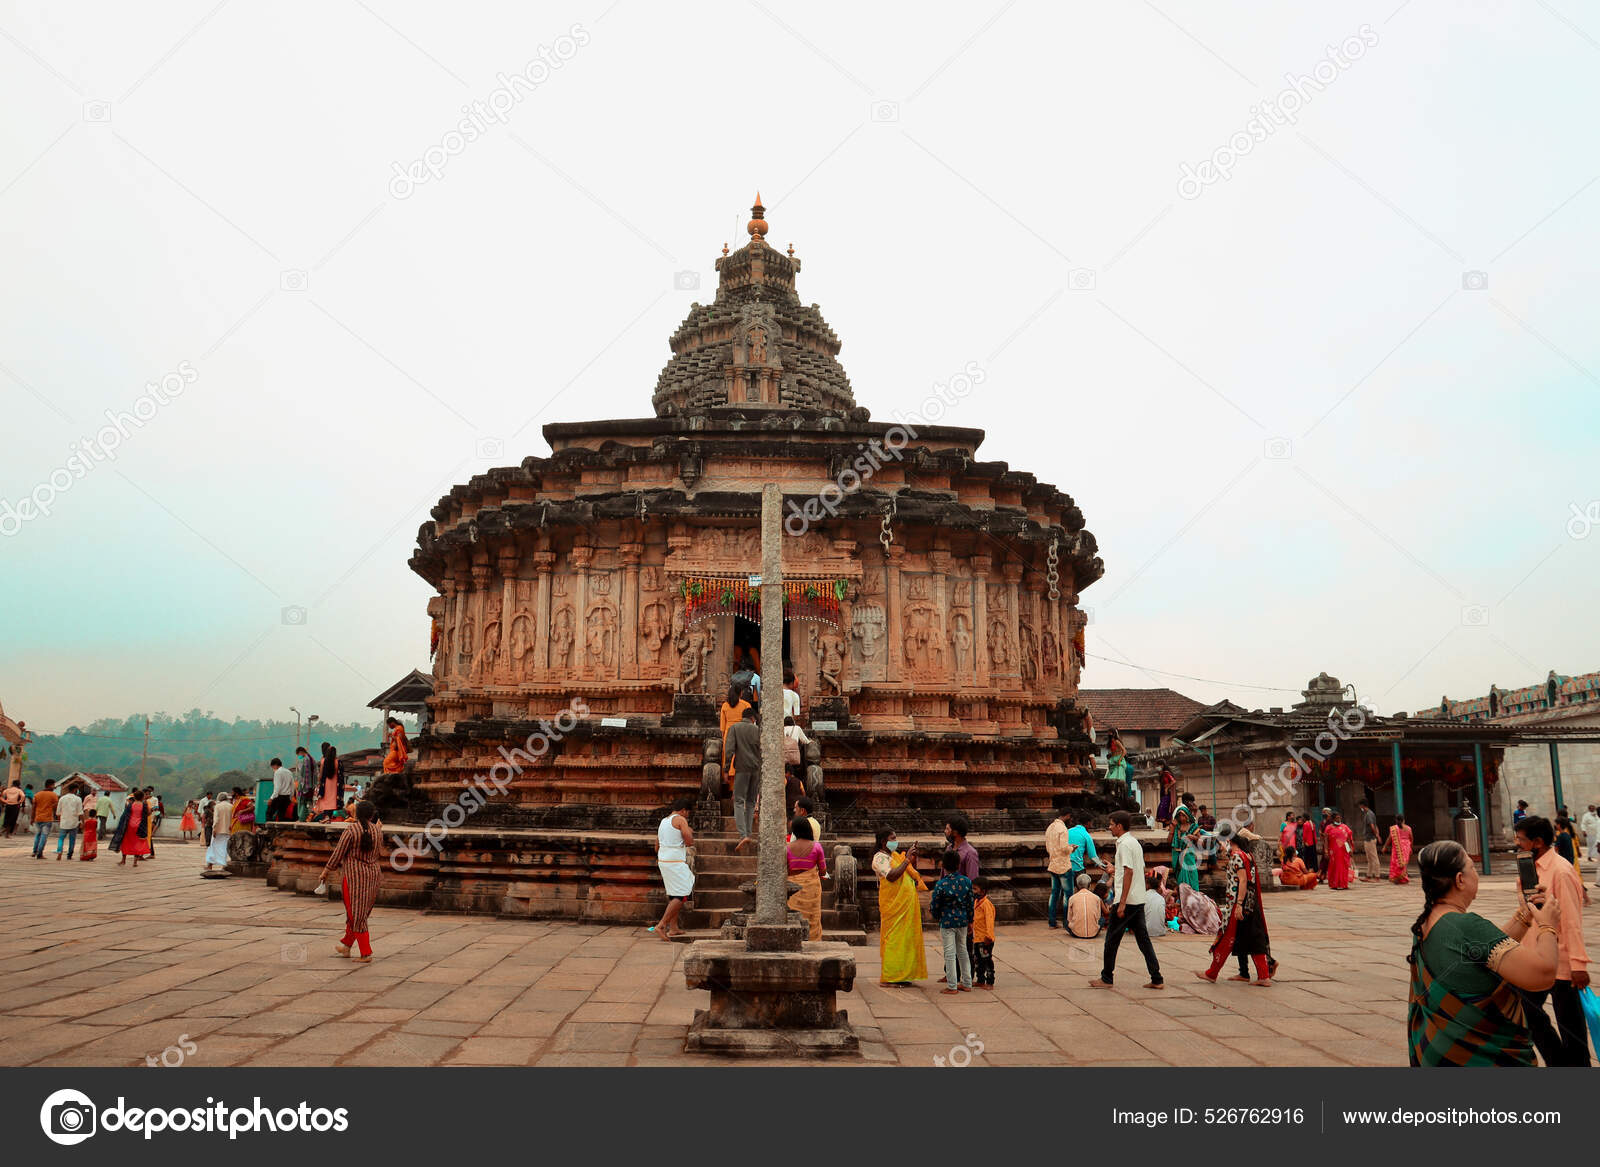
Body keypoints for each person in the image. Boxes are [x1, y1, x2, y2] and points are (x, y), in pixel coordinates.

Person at [1408, 839, 1559, 1066]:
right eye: (1473, 868)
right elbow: (1542, 975)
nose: (1476, 874)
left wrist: (1525, 914)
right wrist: (1548, 926)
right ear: (1460, 880)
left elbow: (1488, 950)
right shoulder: (1466, 926)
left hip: (1443, 1058)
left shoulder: (1427, 922)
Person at [1513, 816, 1591, 1066]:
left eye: (1521, 839)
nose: (1517, 844)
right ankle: (1560, 1064)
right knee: (1528, 1012)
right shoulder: (1530, 868)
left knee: (1571, 1026)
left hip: (1562, 960)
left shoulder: (1561, 871)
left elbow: (1571, 920)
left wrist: (1578, 964)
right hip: (1536, 957)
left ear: (1537, 842)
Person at [1089, 810, 1163, 991]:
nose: (1109, 827)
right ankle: (1157, 978)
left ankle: (1106, 977)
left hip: (1127, 900)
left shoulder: (1124, 845)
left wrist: (1121, 903)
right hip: (1137, 898)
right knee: (1143, 940)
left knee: (1111, 940)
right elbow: (1132, 869)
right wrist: (1114, 870)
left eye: (1111, 824)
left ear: (1119, 826)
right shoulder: (1134, 843)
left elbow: (1129, 872)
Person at [1197, 824, 1271, 986]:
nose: (1221, 847)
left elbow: (1243, 881)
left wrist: (1238, 905)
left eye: (1221, 843)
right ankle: (1259, 974)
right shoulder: (1246, 854)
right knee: (1249, 938)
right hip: (1249, 903)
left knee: (1227, 938)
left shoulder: (1237, 856)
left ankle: (1212, 973)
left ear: (1228, 841)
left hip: (1238, 904)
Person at [320, 800, 384, 962]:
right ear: (371, 815)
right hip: (373, 876)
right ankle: (347, 946)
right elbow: (380, 853)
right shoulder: (377, 831)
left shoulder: (351, 830)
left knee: (356, 914)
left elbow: (338, 853)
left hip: (354, 877)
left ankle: (365, 953)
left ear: (356, 814)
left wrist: (326, 871)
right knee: (358, 913)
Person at [873, 828, 926, 985]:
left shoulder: (894, 856)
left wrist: (910, 859)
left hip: (905, 906)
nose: (896, 841)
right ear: (884, 842)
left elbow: (908, 873)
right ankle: (890, 977)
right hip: (893, 906)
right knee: (893, 940)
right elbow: (891, 876)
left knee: (906, 940)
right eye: (893, 838)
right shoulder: (879, 858)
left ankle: (902, 975)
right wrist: (907, 860)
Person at [930, 850, 975, 994]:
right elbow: (970, 903)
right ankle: (967, 983)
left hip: (947, 921)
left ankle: (952, 985)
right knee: (963, 951)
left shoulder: (941, 884)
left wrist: (937, 916)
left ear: (943, 866)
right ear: (958, 864)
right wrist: (970, 920)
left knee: (949, 953)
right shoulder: (966, 881)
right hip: (962, 921)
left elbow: (935, 904)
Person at [650, 796, 695, 940]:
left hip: (663, 860)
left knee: (675, 893)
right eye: (688, 813)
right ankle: (662, 925)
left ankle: (674, 928)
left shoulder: (663, 821)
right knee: (683, 892)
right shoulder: (680, 820)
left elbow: (656, 846)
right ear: (684, 810)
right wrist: (689, 831)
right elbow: (689, 841)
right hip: (674, 860)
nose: (687, 816)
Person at [942, 815, 979, 982]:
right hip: (947, 904)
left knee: (964, 943)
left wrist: (970, 910)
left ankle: (966, 976)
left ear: (955, 832)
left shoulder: (970, 853)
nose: (945, 831)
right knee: (949, 942)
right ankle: (950, 973)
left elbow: (972, 883)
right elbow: (943, 875)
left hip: (962, 905)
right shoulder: (949, 849)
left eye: (947, 829)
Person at [725, 704, 762, 851]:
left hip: (742, 768)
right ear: (753, 718)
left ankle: (743, 835)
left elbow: (729, 750)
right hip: (756, 769)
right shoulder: (758, 730)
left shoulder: (735, 728)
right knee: (751, 801)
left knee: (739, 801)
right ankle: (748, 833)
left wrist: (726, 769)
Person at [786, 816, 828, 941]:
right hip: (812, 889)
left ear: (794, 831)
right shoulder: (817, 847)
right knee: (813, 919)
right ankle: (813, 941)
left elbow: (785, 870)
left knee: (793, 919)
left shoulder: (787, 847)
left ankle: (794, 941)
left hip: (793, 890)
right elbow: (823, 871)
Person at [1045, 806, 1077, 929]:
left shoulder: (1050, 827)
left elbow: (1049, 847)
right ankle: (1066, 922)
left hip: (1053, 864)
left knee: (1054, 894)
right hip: (1063, 866)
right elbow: (1064, 848)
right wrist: (1072, 848)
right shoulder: (1063, 829)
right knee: (1068, 895)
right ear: (1068, 816)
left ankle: (1052, 922)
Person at [718, 682, 750, 785]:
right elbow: (749, 722)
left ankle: (729, 782)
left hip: (728, 732)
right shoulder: (745, 705)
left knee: (729, 756)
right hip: (742, 732)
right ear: (740, 693)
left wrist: (723, 738)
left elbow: (722, 727)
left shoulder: (725, 706)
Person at [112, 788, 152, 866]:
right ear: (142, 797)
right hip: (139, 827)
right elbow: (148, 813)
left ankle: (123, 860)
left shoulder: (130, 805)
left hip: (129, 826)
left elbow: (125, 816)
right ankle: (135, 862)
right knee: (137, 843)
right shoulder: (144, 805)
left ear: (135, 797)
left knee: (126, 842)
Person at [1171, 794, 1201, 891]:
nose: (1181, 818)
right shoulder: (1177, 827)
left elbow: (1200, 841)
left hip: (1189, 856)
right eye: (1179, 816)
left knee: (1192, 877)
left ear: (1187, 815)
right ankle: (1183, 895)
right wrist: (1172, 829)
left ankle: (1194, 894)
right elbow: (1169, 841)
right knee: (1181, 879)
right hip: (1178, 856)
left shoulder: (1193, 827)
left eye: (1183, 815)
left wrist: (1193, 837)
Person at [971, 876, 996, 989]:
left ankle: (990, 982)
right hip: (977, 938)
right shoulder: (976, 902)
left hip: (985, 939)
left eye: (975, 889)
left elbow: (989, 921)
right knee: (978, 960)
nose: (973, 891)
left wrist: (988, 936)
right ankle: (980, 980)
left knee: (986, 960)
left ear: (983, 891)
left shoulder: (986, 904)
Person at [1066, 873, 1103, 938]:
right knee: (1102, 920)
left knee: (1065, 922)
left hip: (1076, 934)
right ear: (1090, 885)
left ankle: (1078, 930)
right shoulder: (1096, 898)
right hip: (1093, 934)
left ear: (1077, 886)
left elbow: (1069, 918)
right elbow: (1098, 917)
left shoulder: (1072, 898)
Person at [1325, 812, 1354, 891]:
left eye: (1339, 818)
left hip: (1344, 851)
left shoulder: (1345, 827)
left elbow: (1348, 840)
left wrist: (1350, 849)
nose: (1339, 819)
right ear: (1333, 819)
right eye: (1337, 818)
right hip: (1333, 851)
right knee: (1334, 867)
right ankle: (1334, 884)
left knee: (1344, 867)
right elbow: (1326, 840)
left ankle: (1343, 884)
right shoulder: (1328, 828)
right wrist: (1326, 851)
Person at [30, 779, 59, 859]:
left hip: (38, 818)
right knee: (44, 835)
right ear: (50, 785)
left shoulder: (37, 794)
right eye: (53, 785)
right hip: (47, 818)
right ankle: (40, 853)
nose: (54, 787)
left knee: (38, 835)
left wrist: (32, 818)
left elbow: (33, 808)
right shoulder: (53, 795)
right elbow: (56, 807)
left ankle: (34, 851)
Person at [205, 790, 232, 871]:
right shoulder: (231, 806)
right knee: (224, 848)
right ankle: (223, 865)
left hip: (218, 830)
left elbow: (216, 819)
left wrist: (214, 829)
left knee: (213, 847)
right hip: (228, 830)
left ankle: (210, 865)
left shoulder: (217, 806)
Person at [54, 785, 83, 860]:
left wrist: (60, 821)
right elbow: (80, 812)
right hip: (74, 822)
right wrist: (82, 822)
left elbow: (58, 812)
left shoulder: (62, 798)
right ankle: (69, 855)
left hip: (64, 822)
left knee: (61, 838)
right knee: (72, 840)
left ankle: (59, 851)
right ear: (75, 790)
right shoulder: (78, 799)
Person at [1384, 814, 1414, 884]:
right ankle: (1402, 878)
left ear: (1396, 820)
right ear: (1404, 820)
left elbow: (1389, 838)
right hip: (1406, 847)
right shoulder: (1408, 828)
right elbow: (1411, 838)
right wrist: (1410, 848)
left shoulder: (1394, 828)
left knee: (1396, 863)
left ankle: (1396, 877)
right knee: (1404, 863)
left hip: (1397, 847)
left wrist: (1385, 846)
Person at [1358, 798, 1382, 881]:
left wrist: (1377, 835)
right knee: (1369, 858)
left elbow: (1372, 826)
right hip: (1369, 838)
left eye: (1360, 806)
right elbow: (1375, 825)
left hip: (1370, 839)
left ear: (1362, 805)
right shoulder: (1369, 814)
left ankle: (1377, 876)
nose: (1360, 808)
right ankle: (1369, 875)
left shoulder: (1369, 814)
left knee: (1374, 857)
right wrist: (1377, 835)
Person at [294, 746, 319, 821]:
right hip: (311, 785)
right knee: (308, 802)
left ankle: (301, 818)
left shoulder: (305, 760)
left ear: (301, 752)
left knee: (302, 801)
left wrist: (300, 785)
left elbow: (303, 774)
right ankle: (306, 817)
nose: (299, 756)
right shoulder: (312, 759)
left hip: (305, 785)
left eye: (298, 754)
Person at [268, 757, 296, 823]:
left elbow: (277, 788)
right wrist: (291, 796)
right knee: (281, 815)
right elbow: (292, 785)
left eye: (273, 767)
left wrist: (271, 798)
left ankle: (269, 828)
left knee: (269, 813)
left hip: (279, 797)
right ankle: (280, 828)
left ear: (275, 765)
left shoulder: (277, 772)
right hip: (287, 797)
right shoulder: (289, 772)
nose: (273, 769)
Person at [79, 790, 99, 860]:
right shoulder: (88, 797)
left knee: (86, 844)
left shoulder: (96, 798)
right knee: (92, 844)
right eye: (93, 791)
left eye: (95, 791)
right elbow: (83, 804)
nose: (94, 792)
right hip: (88, 810)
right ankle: (91, 855)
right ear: (91, 791)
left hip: (87, 833)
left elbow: (82, 826)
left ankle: (85, 855)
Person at [1299, 813, 1318, 878]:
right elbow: (1314, 834)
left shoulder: (1305, 824)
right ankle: (1314, 869)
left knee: (1307, 857)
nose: (1302, 819)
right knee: (1313, 857)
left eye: (1302, 817)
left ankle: (1308, 870)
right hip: (1313, 843)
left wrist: (1304, 842)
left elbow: (1304, 834)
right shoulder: (1312, 823)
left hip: (1307, 843)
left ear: (1304, 818)